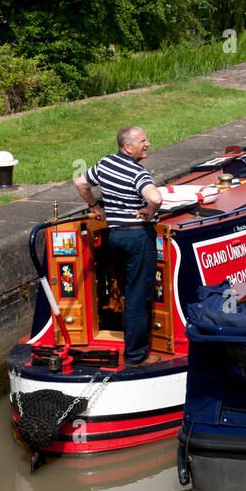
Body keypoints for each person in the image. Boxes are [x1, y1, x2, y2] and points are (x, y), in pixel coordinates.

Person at [74, 125, 165, 366]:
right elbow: (156, 197)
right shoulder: (138, 173)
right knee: (138, 296)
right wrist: (151, 210)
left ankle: (132, 339)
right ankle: (136, 355)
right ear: (127, 147)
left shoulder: (105, 164)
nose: (148, 144)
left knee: (128, 291)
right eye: (143, 141)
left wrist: (95, 206)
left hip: (115, 237)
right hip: (138, 238)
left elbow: (81, 183)